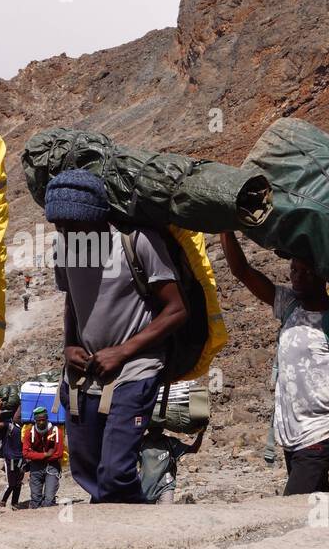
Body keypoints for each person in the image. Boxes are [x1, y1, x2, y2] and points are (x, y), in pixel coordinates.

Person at [49, 170, 188, 503]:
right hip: (87, 373)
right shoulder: (65, 246)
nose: (66, 233)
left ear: (96, 219)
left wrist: (122, 352)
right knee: (86, 468)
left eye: (73, 226)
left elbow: (177, 310)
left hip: (135, 369)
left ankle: (135, 533)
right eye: (60, 227)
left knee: (115, 470)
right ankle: (116, 528)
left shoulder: (136, 241)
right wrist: (69, 344)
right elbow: (72, 300)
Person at [220, 233, 329, 495]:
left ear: (323, 276)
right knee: (314, 504)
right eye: (293, 270)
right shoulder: (289, 305)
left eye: (305, 272)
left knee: (295, 501)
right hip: (291, 434)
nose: (297, 276)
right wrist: (224, 227)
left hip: (321, 431)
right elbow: (242, 271)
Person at [139, 417, 203, 504]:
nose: (156, 431)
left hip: (166, 486)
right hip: (145, 486)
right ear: (148, 428)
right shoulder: (141, 442)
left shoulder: (170, 443)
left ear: (162, 428)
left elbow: (193, 449)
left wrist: (201, 434)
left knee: (166, 513)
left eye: (158, 428)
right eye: (154, 428)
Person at [21, 406, 64, 508]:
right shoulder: (29, 433)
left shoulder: (56, 432)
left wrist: (35, 455)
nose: (41, 422)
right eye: (38, 420)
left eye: (43, 420)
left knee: (48, 501)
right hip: (36, 467)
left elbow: (59, 453)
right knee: (35, 501)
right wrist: (45, 455)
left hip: (52, 467)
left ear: (47, 419)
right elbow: (25, 453)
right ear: (35, 420)